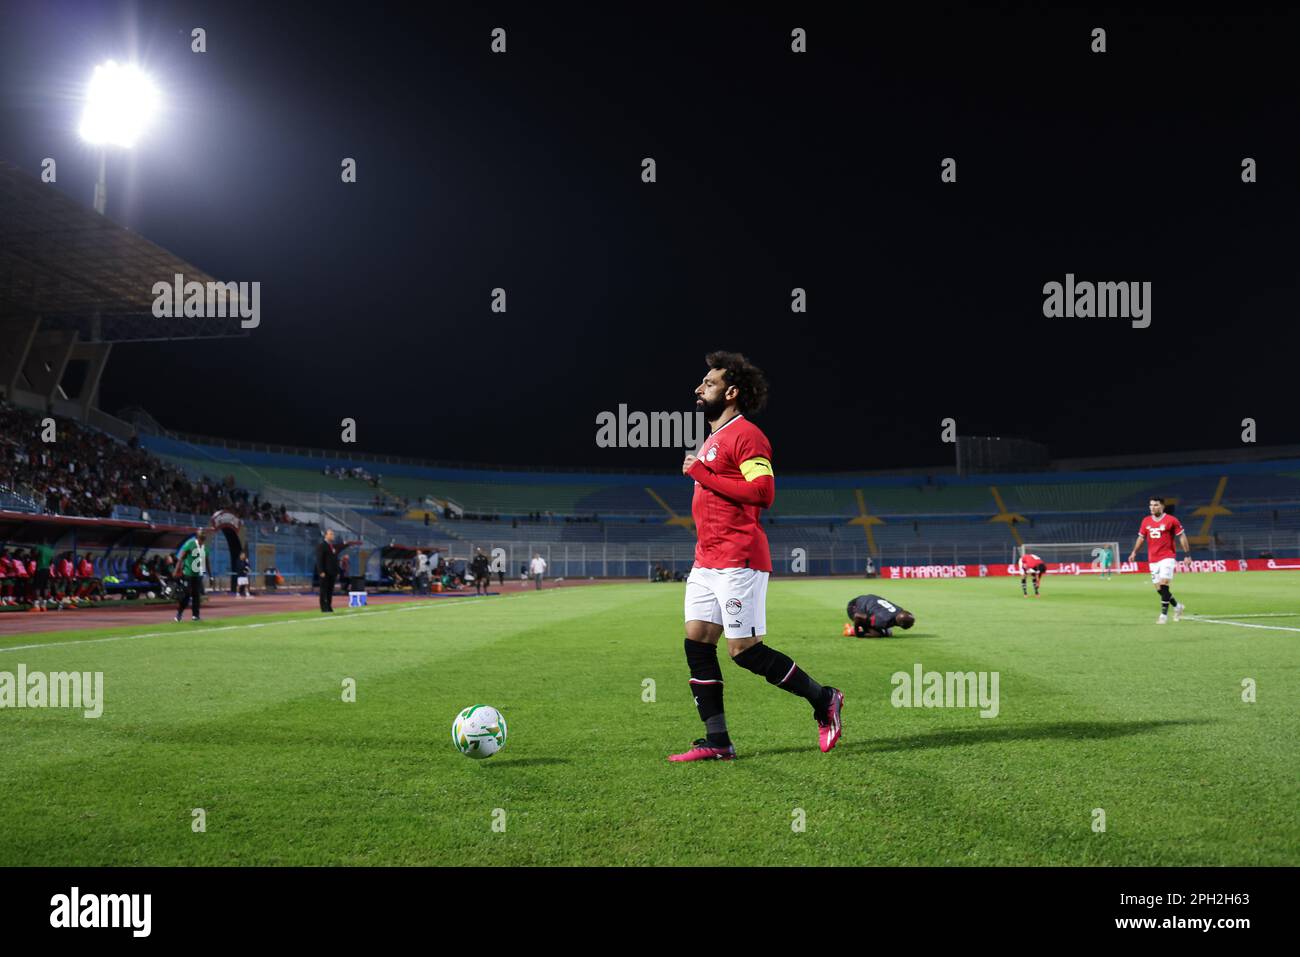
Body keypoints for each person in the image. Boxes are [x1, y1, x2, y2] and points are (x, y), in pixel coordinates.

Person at [670, 351, 843, 762]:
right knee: (697, 643)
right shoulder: (714, 438)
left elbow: (764, 493)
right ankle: (718, 742)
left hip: (738, 558)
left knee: (744, 650)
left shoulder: (746, 435)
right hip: (706, 561)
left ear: (730, 392)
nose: (698, 388)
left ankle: (824, 699)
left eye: (708, 384)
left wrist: (701, 473)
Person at [1127, 497, 1191, 623]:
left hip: (1167, 556)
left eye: (1155, 505)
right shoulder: (1145, 521)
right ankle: (1178, 607)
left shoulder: (1171, 520)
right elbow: (1141, 538)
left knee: (1164, 584)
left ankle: (1163, 615)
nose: (1152, 507)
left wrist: (1187, 554)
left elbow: (1182, 537)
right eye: (1151, 505)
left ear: (1162, 506)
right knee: (1160, 590)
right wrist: (1134, 552)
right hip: (1153, 558)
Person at [173, 529, 206, 622]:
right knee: (186, 595)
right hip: (188, 573)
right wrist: (176, 570)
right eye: (201, 538)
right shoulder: (190, 544)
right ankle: (179, 613)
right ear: (198, 537)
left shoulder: (204, 547)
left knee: (196, 595)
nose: (202, 540)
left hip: (198, 574)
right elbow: (181, 558)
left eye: (203, 538)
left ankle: (195, 615)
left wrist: (209, 575)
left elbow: (206, 560)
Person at [845, 594, 915, 638]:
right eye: (910, 624)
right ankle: (851, 630)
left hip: (865, 600)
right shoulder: (883, 620)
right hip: (854, 607)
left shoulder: (899, 611)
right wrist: (858, 634)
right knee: (877, 634)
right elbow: (858, 616)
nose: (912, 625)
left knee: (886, 632)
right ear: (902, 624)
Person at [316, 529, 342, 613]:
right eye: (330, 534)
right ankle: (323, 607)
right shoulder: (322, 546)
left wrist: (337, 571)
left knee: (330, 590)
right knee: (324, 590)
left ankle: (329, 606)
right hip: (325, 573)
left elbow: (335, 560)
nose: (332, 536)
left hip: (332, 573)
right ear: (326, 535)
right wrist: (321, 571)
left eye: (333, 534)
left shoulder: (332, 547)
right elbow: (319, 560)